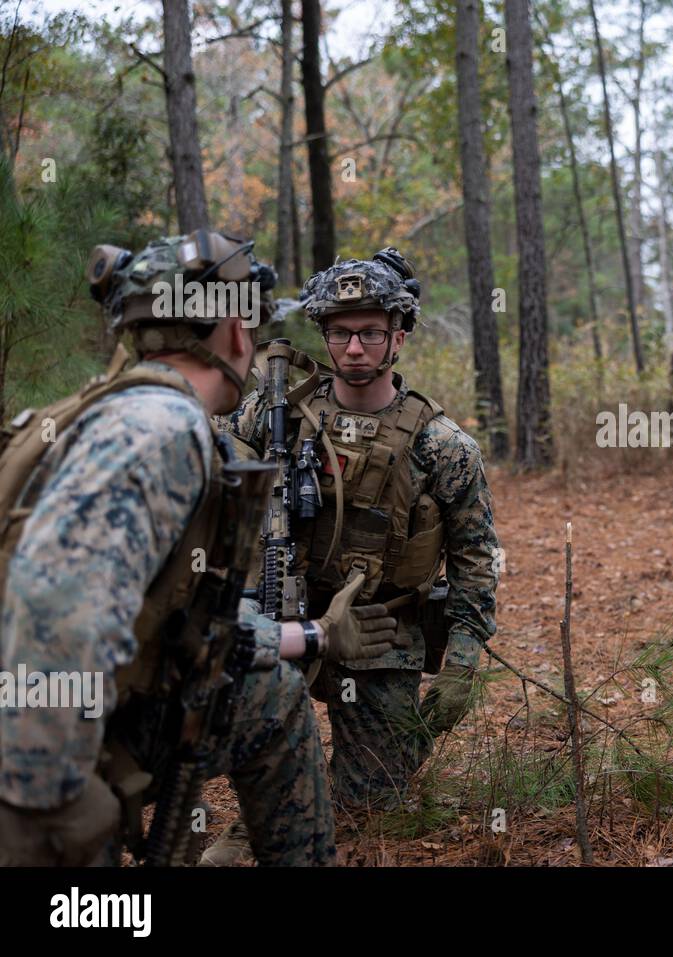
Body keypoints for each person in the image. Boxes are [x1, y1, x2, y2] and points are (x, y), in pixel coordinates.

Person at [0, 232, 401, 866]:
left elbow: (194, 623)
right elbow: (54, 603)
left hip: (61, 714)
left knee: (269, 696)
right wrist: (45, 804)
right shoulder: (162, 431)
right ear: (239, 332)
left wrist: (316, 636)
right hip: (30, 767)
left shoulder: (104, 411)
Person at [204, 248, 499, 864]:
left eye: (370, 332)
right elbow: (212, 481)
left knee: (374, 803)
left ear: (399, 336)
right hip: (281, 617)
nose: (355, 348)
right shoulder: (276, 414)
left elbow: (475, 560)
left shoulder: (444, 447)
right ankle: (262, 813)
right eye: (340, 333)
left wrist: (463, 663)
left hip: (379, 633)